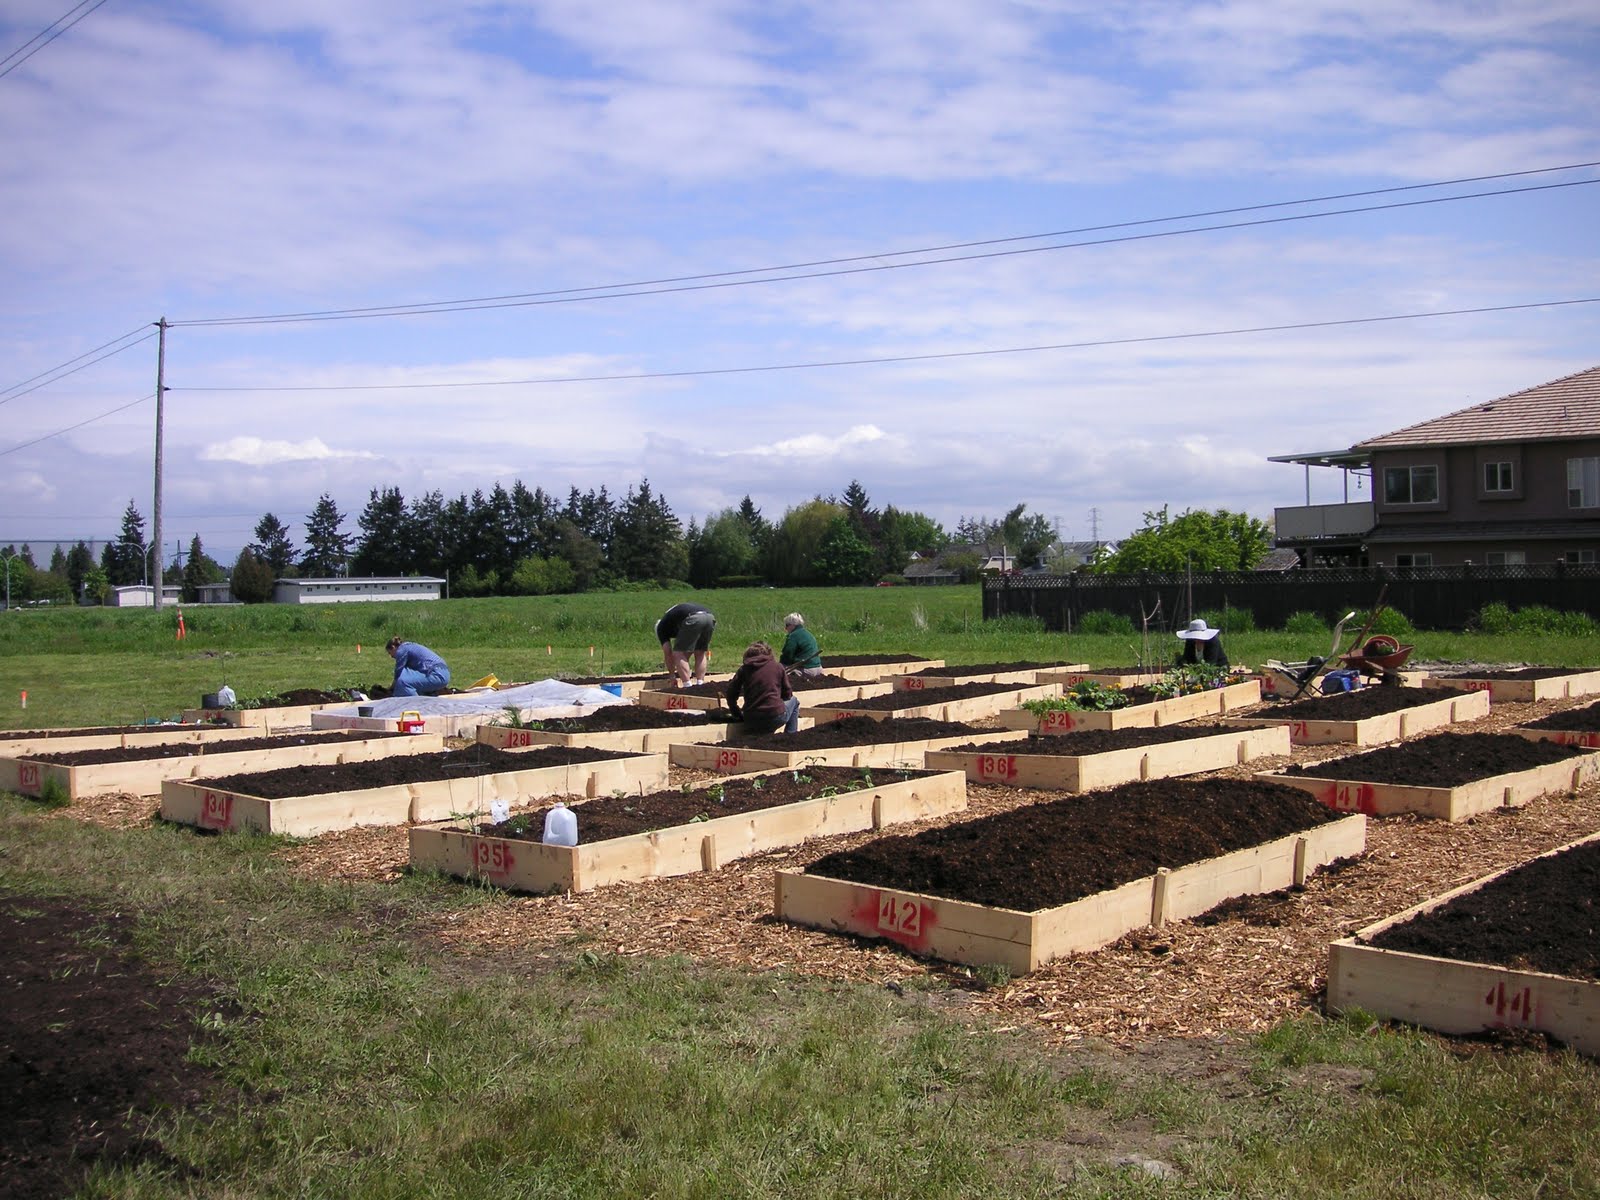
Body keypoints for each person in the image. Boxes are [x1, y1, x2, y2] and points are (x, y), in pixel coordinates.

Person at [725, 641, 799, 735]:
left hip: (751, 718)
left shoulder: (744, 669)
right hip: (775, 716)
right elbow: (788, 693)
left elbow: (731, 694)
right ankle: (790, 736)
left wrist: (736, 713)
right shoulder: (777, 667)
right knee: (794, 701)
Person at [655, 602, 716, 687]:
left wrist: (672, 676)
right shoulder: (673, 621)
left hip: (693, 618)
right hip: (709, 617)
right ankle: (700, 684)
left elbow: (668, 653)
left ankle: (687, 686)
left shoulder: (661, 629)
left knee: (677, 654)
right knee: (700, 652)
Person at [386, 636, 451, 697]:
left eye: (390, 653)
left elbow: (398, 673)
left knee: (403, 683)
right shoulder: (410, 646)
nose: (391, 656)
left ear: (393, 647)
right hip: (443, 672)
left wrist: (391, 688)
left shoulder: (401, 650)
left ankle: (416, 705)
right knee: (407, 677)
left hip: (437, 675)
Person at [778, 612, 823, 677]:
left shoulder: (794, 636)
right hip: (818, 668)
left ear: (793, 625)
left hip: (806, 669)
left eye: (787, 625)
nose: (785, 628)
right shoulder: (808, 634)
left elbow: (787, 655)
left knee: (779, 670)